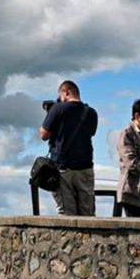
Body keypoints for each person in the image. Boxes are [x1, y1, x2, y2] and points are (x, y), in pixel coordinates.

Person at [39, 80, 98, 216]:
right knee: (87, 213)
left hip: (63, 168)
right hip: (85, 167)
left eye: (61, 96)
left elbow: (43, 134)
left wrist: (51, 115)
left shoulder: (58, 109)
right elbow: (91, 133)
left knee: (67, 213)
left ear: (65, 92)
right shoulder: (91, 113)